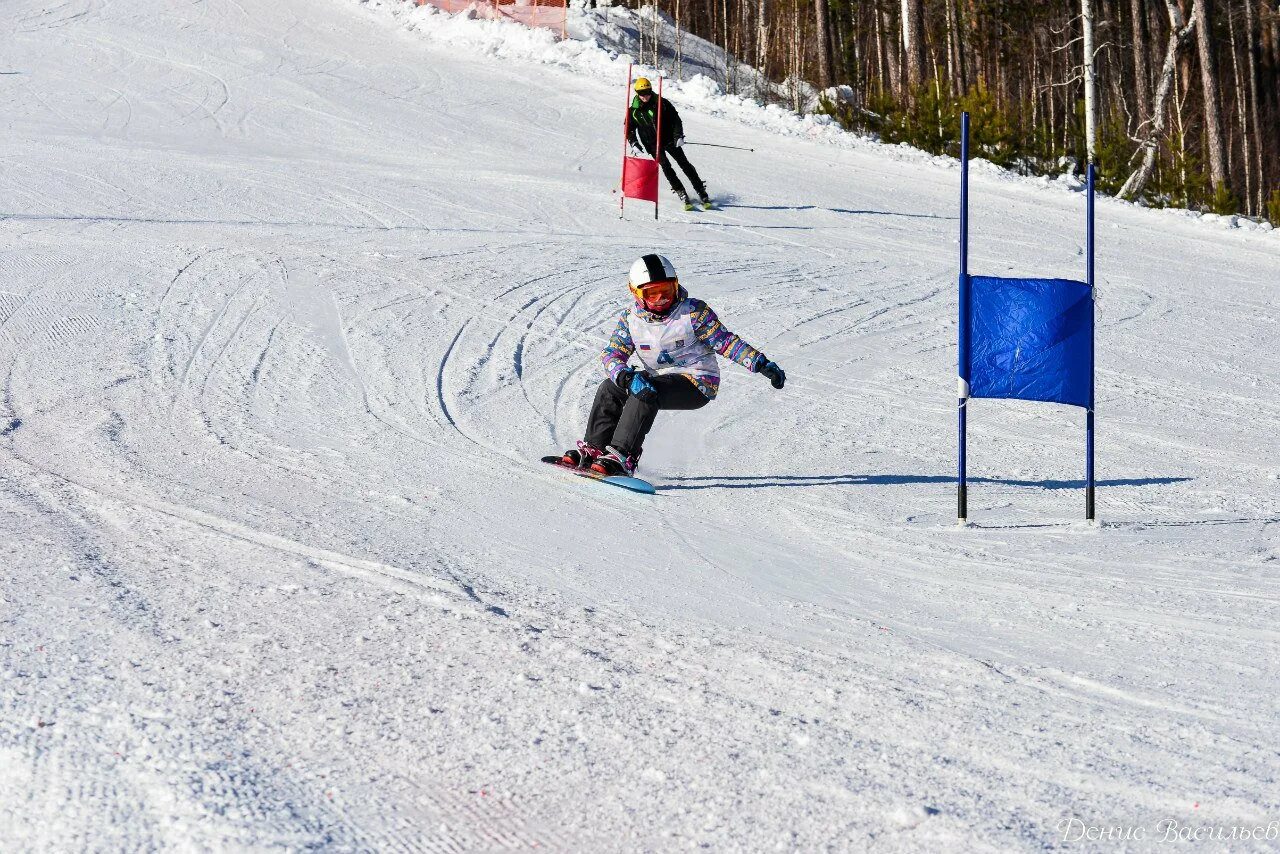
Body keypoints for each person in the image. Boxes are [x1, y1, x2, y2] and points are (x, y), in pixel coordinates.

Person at [559, 254, 786, 477]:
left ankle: (622, 457)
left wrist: (760, 363)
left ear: (675, 286)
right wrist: (624, 377)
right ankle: (595, 449)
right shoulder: (630, 320)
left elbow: (725, 342)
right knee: (610, 388)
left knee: (647, 389)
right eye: (651, 294)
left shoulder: (693, 312)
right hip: (657, 380)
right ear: (635, 292)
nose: (660, 299)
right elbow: (612, 354)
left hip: (697, 382)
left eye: (666, 292)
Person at [626, 78, 711, 210]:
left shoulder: (661, 103)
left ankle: (701, 190)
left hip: (669, 140)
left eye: (647, 92)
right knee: (666, 167)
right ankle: (680, 191)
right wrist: (633, 142)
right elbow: (629, 129)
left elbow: (676, 119)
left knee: (684, 164)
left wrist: (678, 136)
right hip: (652, 145)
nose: (645, 96)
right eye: (642, 93)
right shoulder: (633, 111)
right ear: (637, 93)